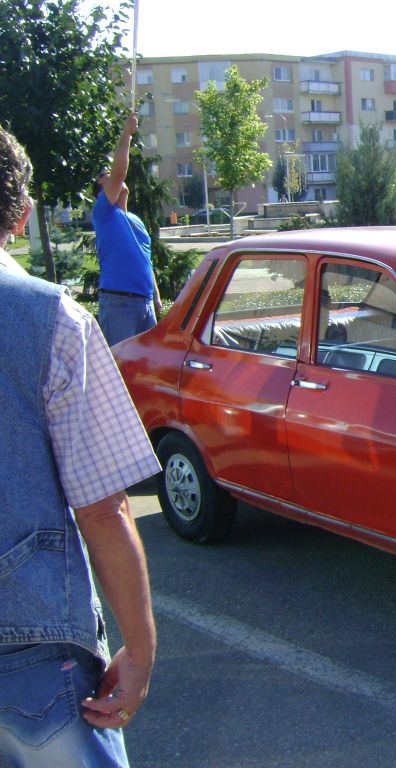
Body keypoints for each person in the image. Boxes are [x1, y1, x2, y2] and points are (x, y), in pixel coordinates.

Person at [0, 125, 160, 767]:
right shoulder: (54, 321)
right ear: (22, 217)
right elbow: (102, 507)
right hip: (35, 654)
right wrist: (141, 644)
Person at [93, 113, 162, 346]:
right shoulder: (104, 213)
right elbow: (120, 172)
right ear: (101, 192)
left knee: (144, 367)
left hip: (144, 304)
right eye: (106, 179)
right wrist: (126, 134)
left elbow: (146, 261)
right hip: (118, 304)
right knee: (121, 369)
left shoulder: (136, 221)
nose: (113, 178)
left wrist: (156, 298)